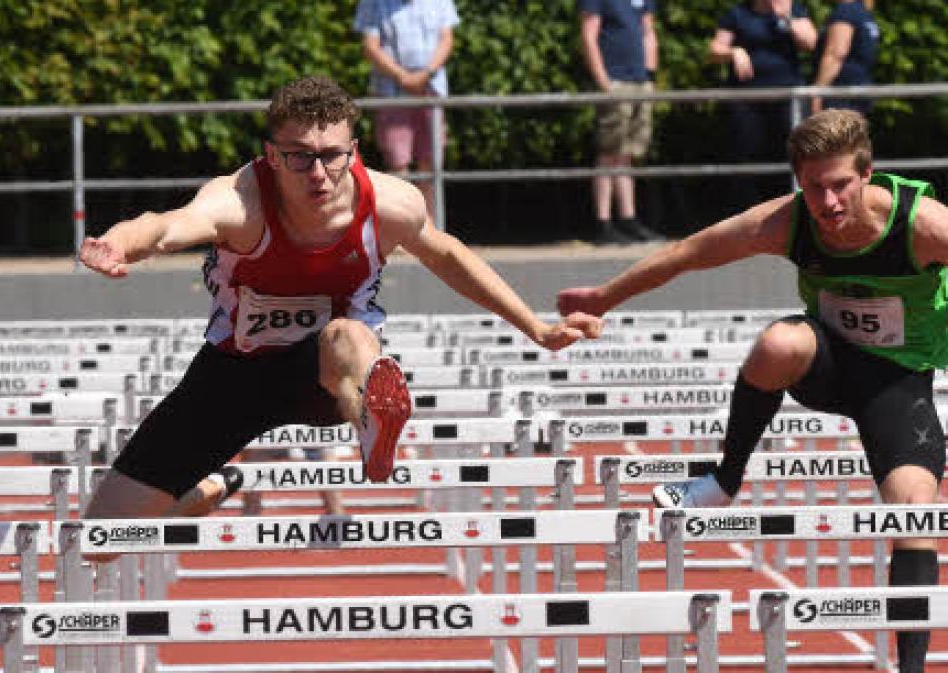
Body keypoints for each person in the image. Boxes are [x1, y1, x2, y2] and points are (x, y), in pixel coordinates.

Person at [80, 76, 603, 555]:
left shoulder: (390, 204)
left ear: (353, 150)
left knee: (348, 335)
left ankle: (372, 421)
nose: (319, 173)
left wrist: (534, 326)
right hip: (232, 374)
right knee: (97, 542)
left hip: (328, 373)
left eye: (333, 156)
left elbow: (448, 254)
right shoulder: (240, 202)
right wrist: (116, 245)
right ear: (271, 155)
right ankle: (200, 493)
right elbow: (163, 226)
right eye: (300, 157)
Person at [558, 109, 944, 673]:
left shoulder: (924, 226)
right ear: (798, 183)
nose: (830, 203)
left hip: (898, 382)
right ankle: (723, 478)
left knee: (914, 511)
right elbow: (689, 253)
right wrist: (604, 300)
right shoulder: (786, 222)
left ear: (867, 174)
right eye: (815, 188)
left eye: (841, 185)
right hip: (826, 362)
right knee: (777, 344)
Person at [354, 0, 459, 226]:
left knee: (430, 159)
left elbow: (447, 40)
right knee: (397, 161)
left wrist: (426, 74)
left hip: (430, 89)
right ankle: (401, 228)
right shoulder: (372, 2)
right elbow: (371, 47)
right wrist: (403, 77)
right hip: (390, 91)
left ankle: (431, 225)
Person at [709, 0, 817, 210]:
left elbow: (811, 43)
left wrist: (786, 18)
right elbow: (715, 49)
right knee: (746, 155)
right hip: (746, 99)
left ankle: (797, 210)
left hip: (787, 98)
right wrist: (733, 52)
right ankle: (748, 213)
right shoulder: (738, 13)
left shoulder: (794, 9)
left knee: (796, 153)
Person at [579, 0, 664, 244]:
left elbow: (649, 32)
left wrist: (650, 77)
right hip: (615, 80)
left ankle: (628, 219)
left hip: (640, 82)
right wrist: (604, 82)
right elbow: (588, 35)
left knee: (628, 154)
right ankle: (603, 223)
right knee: (608, 152)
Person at [811, 0, 879, 116]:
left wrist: (818, 92)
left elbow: (836, 54)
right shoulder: (862, 11)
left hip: (840, 93)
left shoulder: (845, 11)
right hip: (859, 88)